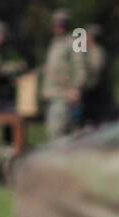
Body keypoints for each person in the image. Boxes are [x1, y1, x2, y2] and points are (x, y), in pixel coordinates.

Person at [41, 9, 88, 139]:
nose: (58, 27)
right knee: (54, 133)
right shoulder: (55, 43)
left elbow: (81, 68)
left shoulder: (75, 41)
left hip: (64, 95)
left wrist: (77, 88)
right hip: (52, 94)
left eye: (62, 24)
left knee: (58, 134)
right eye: (56, 24)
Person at [79, 22, 115, 126]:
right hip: (89, 96)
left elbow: (95, 73)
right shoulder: (87, 52)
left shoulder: (98, 52)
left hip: (95, 96)